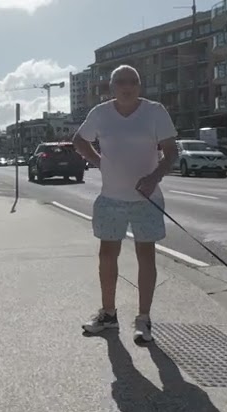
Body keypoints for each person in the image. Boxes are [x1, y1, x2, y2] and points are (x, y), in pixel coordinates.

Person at [72, 64, 178, 345]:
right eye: (121, 81)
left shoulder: (155, 111)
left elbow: (171, 152)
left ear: (140, 86)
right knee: (107, 256)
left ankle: (143, 319)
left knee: (146, 257)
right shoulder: (101, 113)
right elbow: (79, 141)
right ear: (112, 87)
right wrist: (99, 162)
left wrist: (154, 177)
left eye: (133, 81)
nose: (127, 86)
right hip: (111, 199)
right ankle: (108, 314)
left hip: (146, 200)